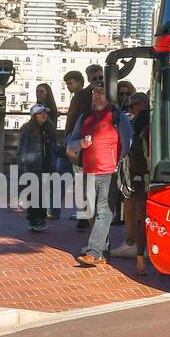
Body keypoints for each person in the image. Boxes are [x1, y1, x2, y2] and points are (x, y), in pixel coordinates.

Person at [67, 84, 132, 267]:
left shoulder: (118, 117)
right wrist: (80, 143)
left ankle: (93, 252)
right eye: (95, 91)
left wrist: (120, 167)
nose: (97, 94)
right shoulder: (84, 117)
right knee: (91, 212)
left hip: (109, 172)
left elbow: (128, 143)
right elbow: (71, 143)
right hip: (88, 171)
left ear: (109, 95)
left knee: (104, 212)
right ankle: (103, 251)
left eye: (102, 91)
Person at [109, 91, 149, 272]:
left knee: (136, 207)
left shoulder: (143, 122)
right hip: (141, 170)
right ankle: (137, 246)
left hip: (140, 171)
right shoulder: (144, 120)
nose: (130, 109)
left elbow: (136, 146)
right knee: (137, 208)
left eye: (132, 105)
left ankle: (133, 244)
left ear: (142, 104)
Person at [64, 68, 97, 231]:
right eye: (94, 78)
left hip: (82, 143)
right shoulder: (87, 97)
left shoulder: (80, 97)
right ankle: (86, 214)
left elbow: (71, 119)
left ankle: (85, 214)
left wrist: (68, 139)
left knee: (83, 181)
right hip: (82, 143)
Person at [17, 104, 55, 232]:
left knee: (42, 194)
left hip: (44, 166)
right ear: (34, 116)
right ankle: (35, 220)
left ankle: (40, 219)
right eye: (40, 113)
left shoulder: (46, 129)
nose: (44, 115)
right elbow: (21, 152)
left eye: (45, 112)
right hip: (32, 167)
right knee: (34, 195)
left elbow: (51, 148)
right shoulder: (27, 131)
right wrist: (23, 171)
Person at [37, 82, 64, 219]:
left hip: (48, 148)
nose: (39, 93)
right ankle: (49, 209)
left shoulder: (47, 110)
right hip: (42, 147)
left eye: (41, 91)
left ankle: (51, 209)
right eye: (37, 91)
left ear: (48, 93)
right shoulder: (42, 108)